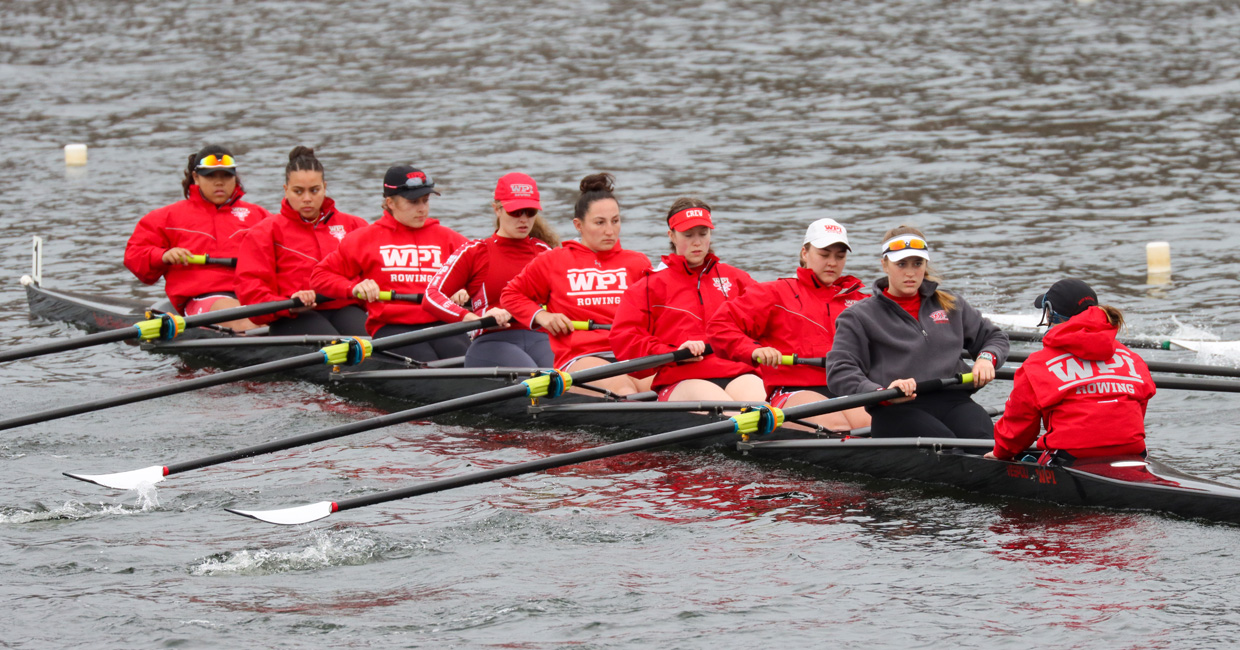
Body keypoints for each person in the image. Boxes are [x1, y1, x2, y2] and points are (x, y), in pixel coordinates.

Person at [825, 225, 1008, 439]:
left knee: (987, 443)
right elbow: (839, 371)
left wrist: (986, 359)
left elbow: (995, 337)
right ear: (884, 265)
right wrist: (880, 392)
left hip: (954, 401)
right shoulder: (858, 316)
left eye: (917, 263)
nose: (910, 272)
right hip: (896, 409)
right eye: (901, 264)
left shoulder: (951, 304)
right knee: (947, 448)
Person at [708, 217, 871, 430]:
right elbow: (719, 326)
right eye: (824, 255)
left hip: (848, 386)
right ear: (804, 253)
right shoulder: (773, 294)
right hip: (793, 390)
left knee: (875, 425)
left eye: (839, 256)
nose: (832, 262)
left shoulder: (861, 301)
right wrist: (754, 350)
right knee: (836, 427)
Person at [501, 173, 652, 395]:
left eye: (615, 221)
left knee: (667, 386)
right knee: (623, 390)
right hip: (581, 357)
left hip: (632, 353)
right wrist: (542, 316)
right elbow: (511, 295)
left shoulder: (638, 262)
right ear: (578, 225)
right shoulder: (553, 260)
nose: (610, 231)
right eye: (599, 222)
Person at [610, 199, 764, 401]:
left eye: (703, 234)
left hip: (739, 373)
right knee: (726, 410)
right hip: (682, 378)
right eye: (688, 235)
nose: (697, 242)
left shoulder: (736, 278)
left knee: (764, 408)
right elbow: (626, 340)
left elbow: (773, 319)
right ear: (671, 236)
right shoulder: (647, 287)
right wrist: (673, 352)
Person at [310, 165, 469, 361]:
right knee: (427, 363)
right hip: (392, 326)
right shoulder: (364, 239)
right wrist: (354, 288)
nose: (422, 208)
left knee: (465, 361)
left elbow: (485, 273)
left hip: (442, 321)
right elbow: (319, 277)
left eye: (425, 200)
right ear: (390, 203)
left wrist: (464, 287)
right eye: (413, 202)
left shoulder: (448, 238)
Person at [987, 279, 1155, 462]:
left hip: (1071, 456)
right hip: (1134, 453)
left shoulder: (1036, 365)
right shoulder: (1132, 358)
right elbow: (1138, 410)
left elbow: (1019, 428)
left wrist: (1000, 453)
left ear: (1050, 313)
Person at [124, 145, 272, 330]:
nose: (219, 183)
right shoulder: (167, 218)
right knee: (249, 320)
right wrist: (163, 255)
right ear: (196, 177)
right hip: (203, 298)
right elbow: (134, 255)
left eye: (226, 176)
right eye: (211, 176)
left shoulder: (259, 216)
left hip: (254, 294)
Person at [423, 173, 559, 368]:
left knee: (564, 378)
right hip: (493, 341)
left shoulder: (545, 252)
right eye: (515, 212)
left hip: (540, 339)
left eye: (530, 212)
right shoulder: (475, 252)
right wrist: (474, 318)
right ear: (497, 209)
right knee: (537, 378)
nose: (524, 219)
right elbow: (431, 296)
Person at [235, 146, 369, 336]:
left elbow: (378, 273)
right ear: (286, 190)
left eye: (314, 190)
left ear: (324, 187)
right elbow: (251, 290)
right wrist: (288, 304)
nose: (307, 199)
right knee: (334, 346)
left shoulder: (355, 225)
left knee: (370, 344)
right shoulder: (264, 232)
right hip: (292, 314)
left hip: (344, 308)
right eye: (298, 191)